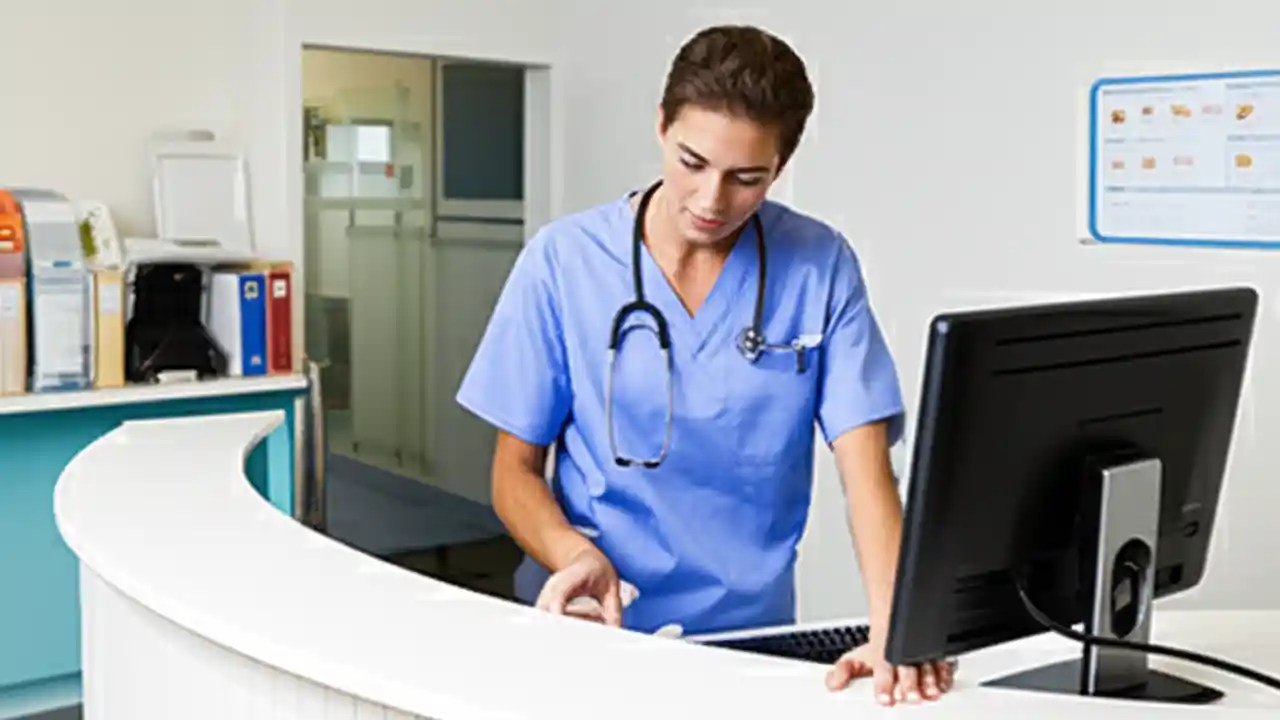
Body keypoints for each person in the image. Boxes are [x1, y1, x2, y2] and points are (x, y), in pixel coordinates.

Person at [456, 24, 954, 706]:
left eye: (747, 178)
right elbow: (514, 472)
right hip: (588, 625)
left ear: (781, 166)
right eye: (692, 162)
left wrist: (899, 626)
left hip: (750, 643)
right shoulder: (563, 262)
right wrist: (575, 556)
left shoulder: (820, 265)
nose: (711, 201)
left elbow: (867, 476)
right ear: (661, 126)